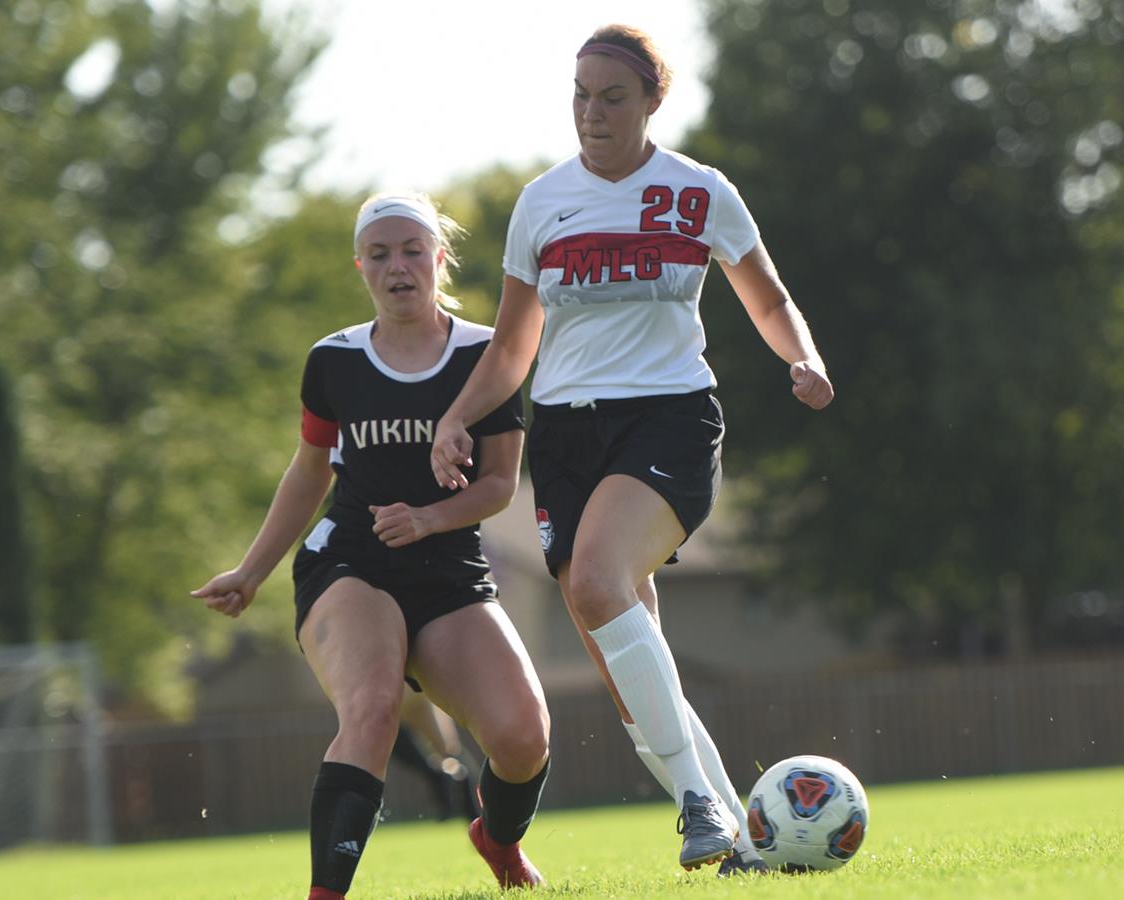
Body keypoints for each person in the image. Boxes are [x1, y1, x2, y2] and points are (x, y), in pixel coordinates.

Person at [430, 23, 834, 876]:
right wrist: (459, 415)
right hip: (567, 435)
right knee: (627, 653)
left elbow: (768, 299)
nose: (591, 111)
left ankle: (696, 804)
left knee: (593, 581)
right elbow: (511, 348)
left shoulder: (700, 191)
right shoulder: (542, 203)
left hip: (668, 420)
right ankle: (735, 833)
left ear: (653, 101)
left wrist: (803, 356)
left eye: (611, 96)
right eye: (580, 94)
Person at [193, 193, 551, 898]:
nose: (398, 267)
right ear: (361, 266)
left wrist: (426, 519)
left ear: (439, 258)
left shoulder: (487, 353)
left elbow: (502, 486)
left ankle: (498, 842)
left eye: (412, 250)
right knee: (372, 707)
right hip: (350, 563)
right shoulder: (334, 361)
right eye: (380, 254)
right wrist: (252, 570)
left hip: (448, 573)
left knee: (523, 738)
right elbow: (306, 473)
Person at [391, 687, 480, 822]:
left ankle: (474, 813)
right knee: (445, 757)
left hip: (409, 695)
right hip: (392, 698)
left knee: (449, 755)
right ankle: (439, 781)